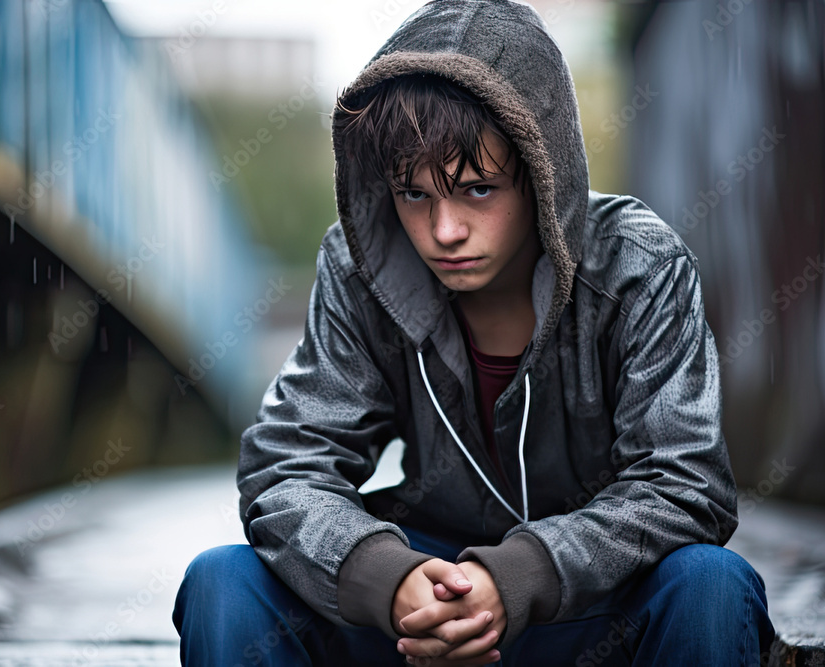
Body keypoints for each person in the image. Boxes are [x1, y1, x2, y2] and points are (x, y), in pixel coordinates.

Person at [173, 0, 776, 664]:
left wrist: (519, 575)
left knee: (713, 585)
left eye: (478, 189)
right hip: (418, 614)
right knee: (223, 581)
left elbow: (684, 481)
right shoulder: (360, 269)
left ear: (545, 174)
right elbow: (288, 464)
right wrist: (386, 576)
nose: (445, 231)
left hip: (589, 608)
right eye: (415, 194)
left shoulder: (640, 267)